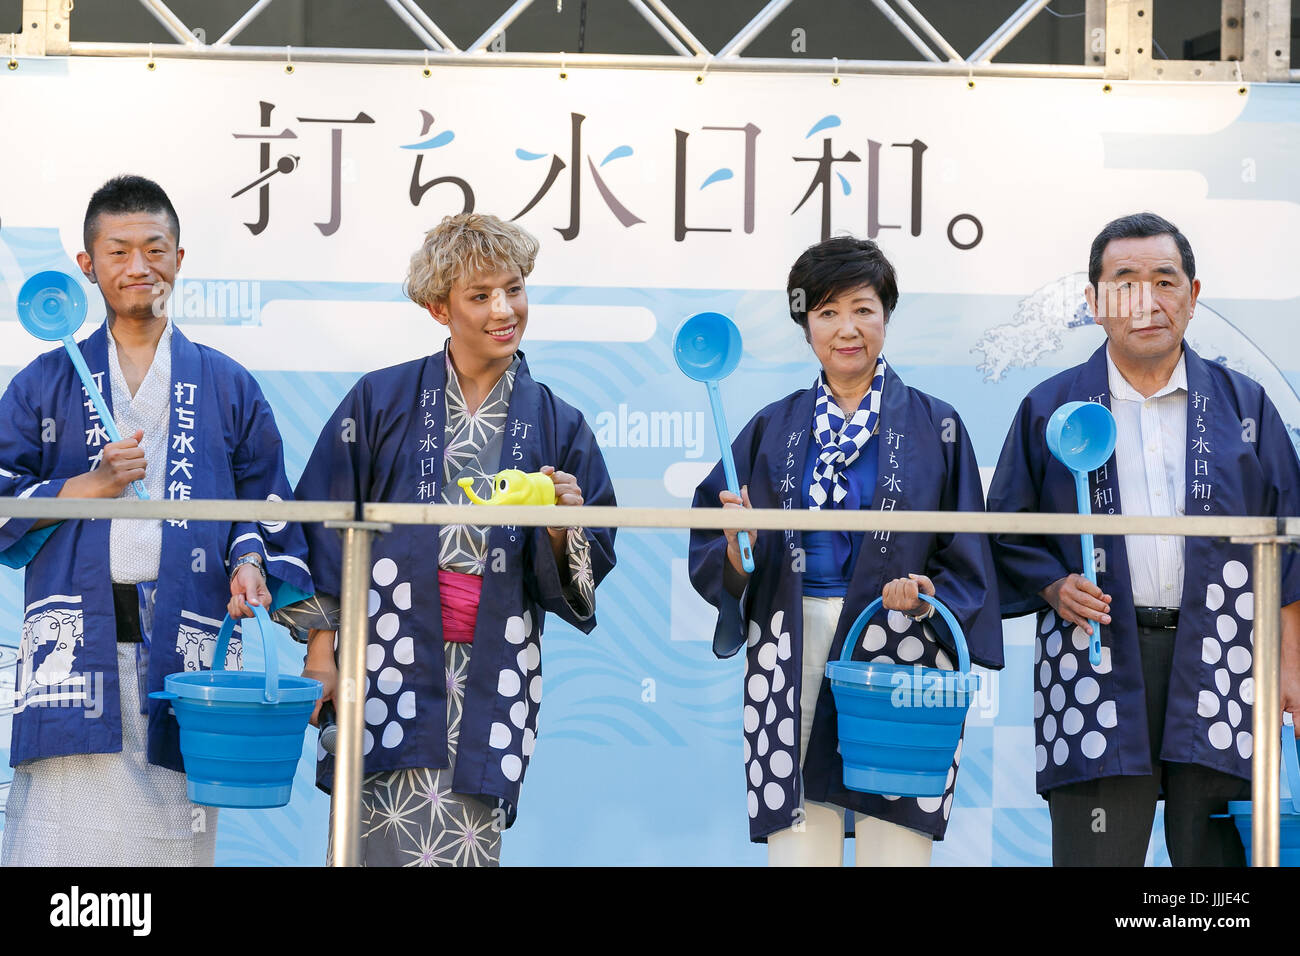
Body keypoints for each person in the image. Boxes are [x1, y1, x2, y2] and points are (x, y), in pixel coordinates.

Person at [0, 175, 313, 866]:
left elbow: (264, 501)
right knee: (62, 840)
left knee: (174, 836)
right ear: (88, 265)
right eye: (118, 251)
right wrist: (93, 483)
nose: (138, 266)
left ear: (179, 257)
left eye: (154, 248)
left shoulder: (227, 383)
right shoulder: (46, 380)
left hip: (187, 641)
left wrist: (250, 564)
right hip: (76, 645)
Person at [294, 213, 617, 867]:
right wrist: (321, 652)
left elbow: (587, 558)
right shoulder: (379, 400)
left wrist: (561, 529)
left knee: (464, 838)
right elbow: (325, 528)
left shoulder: (557, 422)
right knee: (365, 831)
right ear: (439, 306)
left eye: (515, 289)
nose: (504, 310)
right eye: (480, 295)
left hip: (490, 663)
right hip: (383, 654)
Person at [986, 212, 1300, 866]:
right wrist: (1051, 583)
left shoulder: (1246, 408)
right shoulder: (1052, 410)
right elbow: (1008, 529)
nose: (1148, 300)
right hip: (1094, 660)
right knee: (1096, 853)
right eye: (1124, 282)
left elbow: (1287, 544)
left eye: (1165, 280)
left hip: (1224, 660)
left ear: (1193, 294)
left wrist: (1291, 666)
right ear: (1093, 303)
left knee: (1218, 868)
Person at [688, 235, 1003, 866]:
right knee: (801, 843)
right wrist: (735, 548)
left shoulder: (936, 426)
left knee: (896, 848)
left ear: (887, 315)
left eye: (863, 308)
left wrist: (928, 596)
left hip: (903, 642)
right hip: (791, 642)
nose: (846, 329)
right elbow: (722, 554)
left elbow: (968, 554)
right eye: (827, 312)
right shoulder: (772, 426)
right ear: (805, 324)